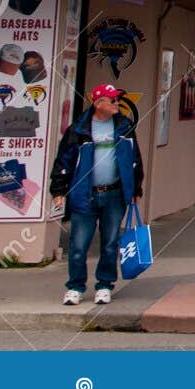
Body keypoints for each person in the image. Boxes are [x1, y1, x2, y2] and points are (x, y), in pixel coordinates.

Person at [49, 84, 144, 306]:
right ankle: (75, 287)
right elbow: (64, 161)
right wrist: (59, 190)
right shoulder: (78, 130)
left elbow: (134, 159)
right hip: (85, 194)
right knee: (78, 245)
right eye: (112, 100)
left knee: (110, 243)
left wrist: (135, 188)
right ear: (98, 103)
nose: (116, 103)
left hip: (114, 194)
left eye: (117, 99)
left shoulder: (124, 126)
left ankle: (104, 284)